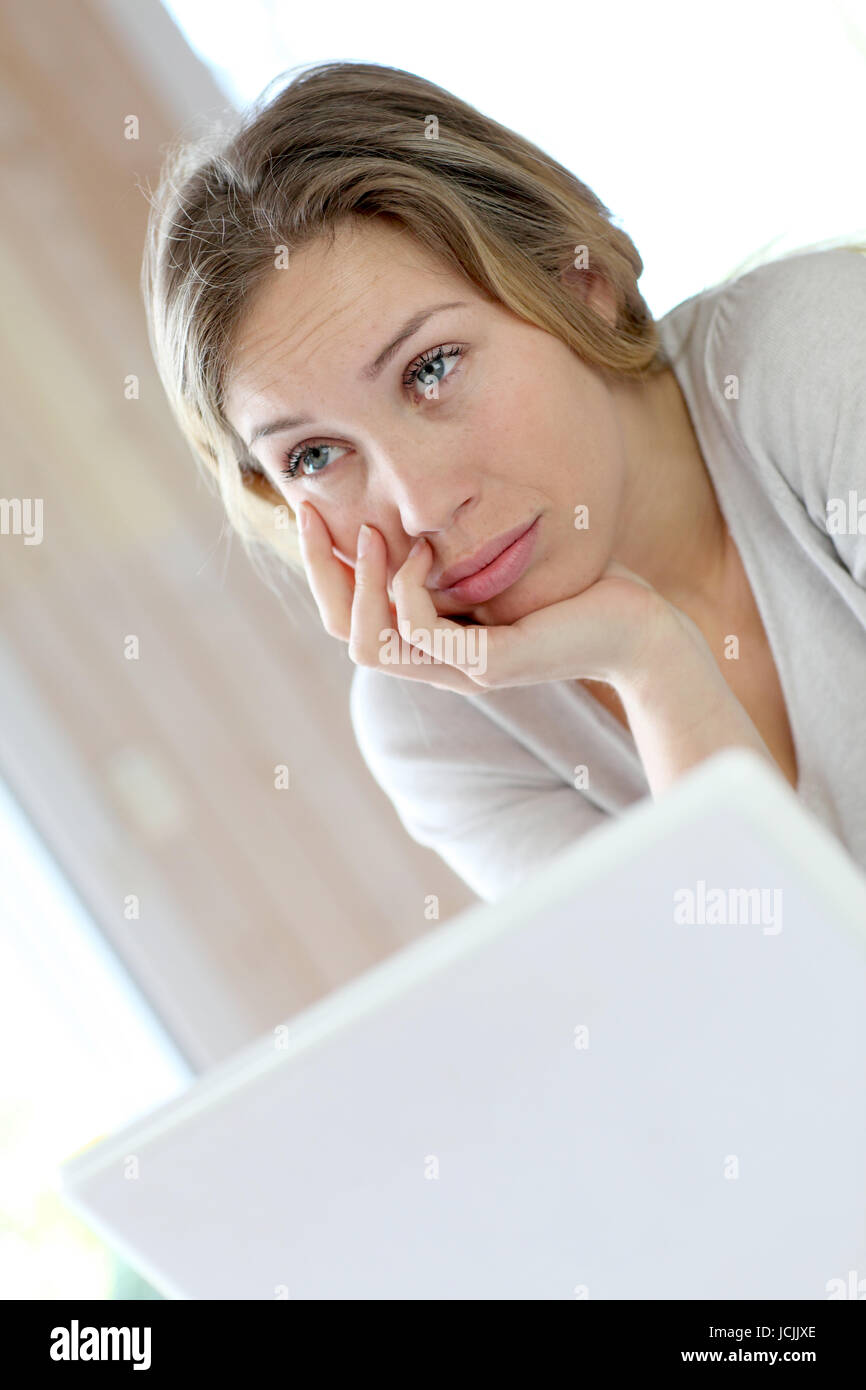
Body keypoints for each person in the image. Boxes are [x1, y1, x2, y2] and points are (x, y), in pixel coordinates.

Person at [142, 60, 866, 903]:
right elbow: (781, 1008)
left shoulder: (818, 358)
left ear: (577, 278)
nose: (420, 505)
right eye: (313, 457)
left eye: (433, 367)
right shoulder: (439, 728)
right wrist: (649, 656)